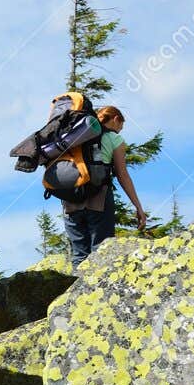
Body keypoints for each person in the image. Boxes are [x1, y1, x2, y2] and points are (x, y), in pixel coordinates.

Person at [62, 104, 147, 267]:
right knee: (101, 252)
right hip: (98, 199)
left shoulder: (77, 135)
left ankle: (77, 292)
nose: (121, 130)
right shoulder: (115, 139)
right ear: (116, 119)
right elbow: (122, 174)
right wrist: (138, 207)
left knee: (79, 255)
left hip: (70, 199)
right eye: (121, 125)